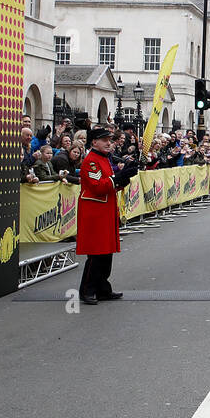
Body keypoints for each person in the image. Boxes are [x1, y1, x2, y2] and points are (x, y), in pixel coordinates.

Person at [76, 127, 138, 305]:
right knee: (96, 253)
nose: (108, 143)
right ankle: (87, 290)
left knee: (105, 252)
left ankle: (102, 288)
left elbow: (109, 185)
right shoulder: (91, 161)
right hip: (94, 211)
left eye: (109, 140)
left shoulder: (103, 158)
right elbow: (97, 186)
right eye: (104, 140)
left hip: (105, 209)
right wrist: (119, 177)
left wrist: (124, 177)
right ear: (94, 142)